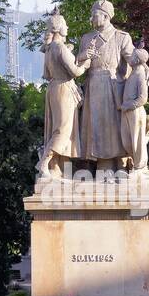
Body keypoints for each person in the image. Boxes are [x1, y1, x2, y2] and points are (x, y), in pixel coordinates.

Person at [76, 0, 135, 171]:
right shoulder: (86, 38)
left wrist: (142, 70)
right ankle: (103, 167)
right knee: (96, 130)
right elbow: (79, 64)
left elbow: (133, 60)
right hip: (93, 85)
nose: (92, 18)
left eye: (95, 14)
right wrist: (82, 56)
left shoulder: (121, 37)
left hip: (112, 86)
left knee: (113, 129)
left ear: (105, 16)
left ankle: (118, 166)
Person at [37, 14, 87, 179]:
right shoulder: (59, 47)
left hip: (54, 88)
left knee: (57, 129)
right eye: (65, 24)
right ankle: (44, 164)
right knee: (62, 131)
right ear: (58, 28)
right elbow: (75, 71)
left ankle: (55, 167)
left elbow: (49, 72)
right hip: (63, 89)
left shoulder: (50, 48)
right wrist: (86, 62)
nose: (68, 28)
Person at [120, 46, 149, 177]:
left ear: (138, 59)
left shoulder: (140, 75)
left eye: (133, 56)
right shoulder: (133, 73)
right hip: (127, 111)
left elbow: (143, 98)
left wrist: (128, 105)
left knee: (137, 140)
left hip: (135, 111)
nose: (130, 57)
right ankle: (135, 164)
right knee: (127, 141)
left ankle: (140, 167)